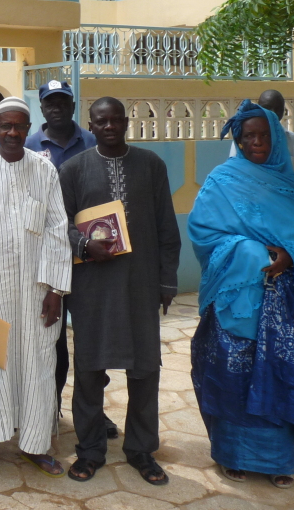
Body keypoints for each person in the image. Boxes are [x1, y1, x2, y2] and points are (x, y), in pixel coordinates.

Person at [189, 100, 294, 489]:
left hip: (281, 303)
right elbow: (203, 233)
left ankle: (279, 459)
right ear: (239, 141)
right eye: (249, 137)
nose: (257, 142)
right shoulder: (222, 180)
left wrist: (290, 256)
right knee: (233, 374)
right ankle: (232, 455)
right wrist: (255, 253)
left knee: (280, 372)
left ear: (276, 138)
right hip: (236, 301)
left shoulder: (289, 187)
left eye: (264, 135)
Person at [59, 97, 181, 486]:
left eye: (116, 120)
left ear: (126, 123)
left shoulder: (151, 165)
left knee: (144, 370)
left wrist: (167, 281)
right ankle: (91, 449)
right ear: (90, 126)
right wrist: (82, 245)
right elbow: (58, 223)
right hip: (93, 287)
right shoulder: (73, 169)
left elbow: (166, 226)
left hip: (141, 284)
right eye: (101, 121)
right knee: (90, 370)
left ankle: (141, 450)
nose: (109, 126)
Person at [0, 97, 71, 480]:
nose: (10, 132)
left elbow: (58, 230)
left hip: (38, 291)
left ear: (28, 128)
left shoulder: (45, 171)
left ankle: (36, 445)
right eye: (4, 125)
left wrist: (56, 289)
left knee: (39, 365)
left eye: (18, 126)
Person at [23, 80, 108, 434]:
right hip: (45, 255)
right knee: (51, 339)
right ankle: (52, 406)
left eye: (62, 102)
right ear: (41, 108)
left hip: (88, 255)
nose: (56, 108)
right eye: (49, 103)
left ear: (73, 106)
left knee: (91, 338)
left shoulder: (91, 142)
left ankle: (94, 412)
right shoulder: (29, 145)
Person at [227, 89, 294, 213]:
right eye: (267, 108)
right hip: (252, 213)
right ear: (259, 108)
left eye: (277, 109)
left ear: (283, 112)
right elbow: (234, 178)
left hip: (286, 213)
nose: (272, 112)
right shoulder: (244, 140)